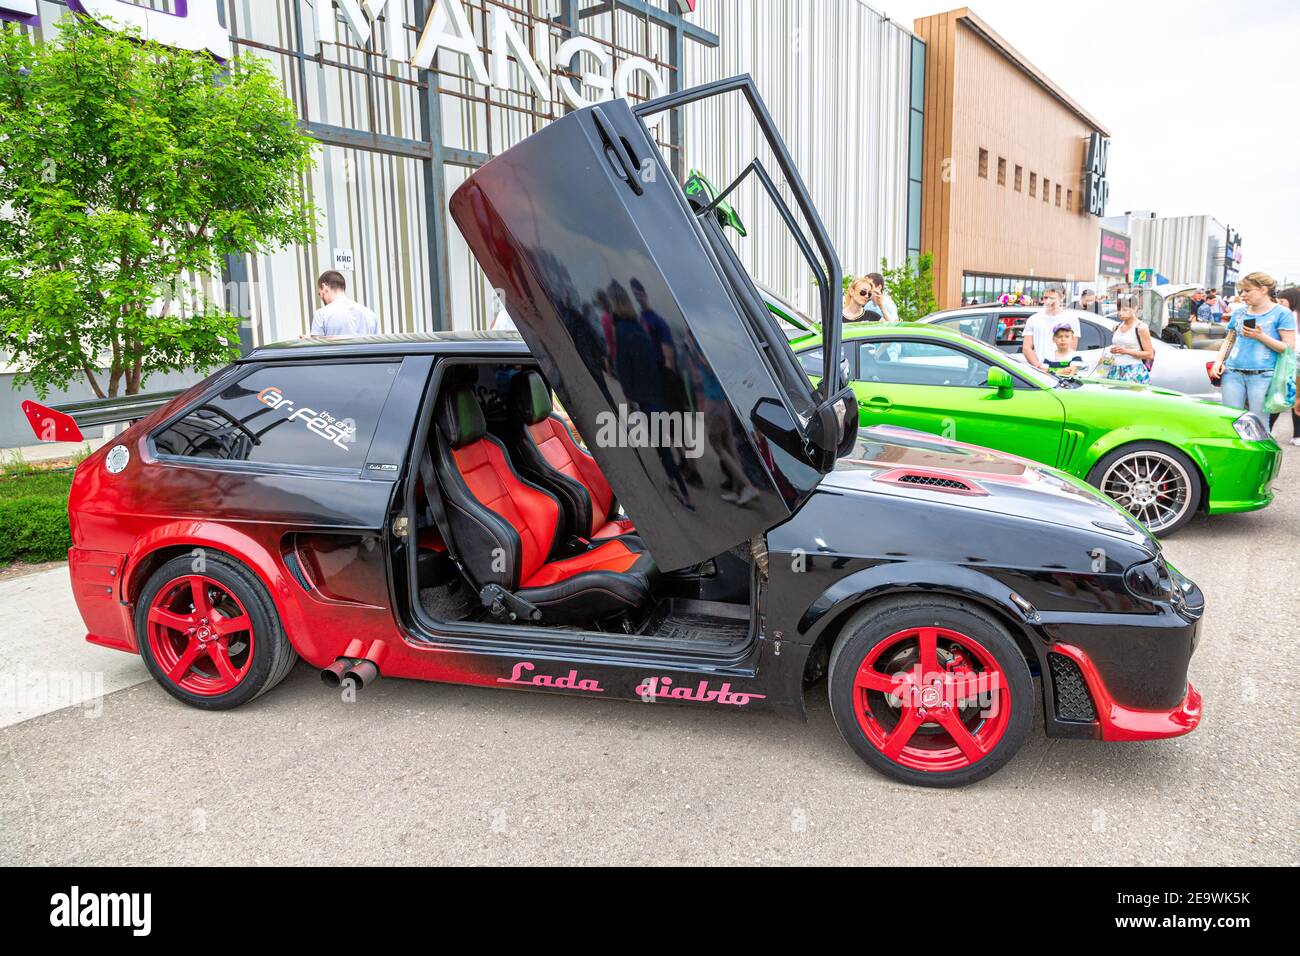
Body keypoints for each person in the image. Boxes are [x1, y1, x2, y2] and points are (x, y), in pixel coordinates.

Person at [1210, 271, 1296, 421]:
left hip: (1263, 375)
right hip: (1232, 373)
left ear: (1263, 290)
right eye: (1241, 291)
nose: (1243, 295)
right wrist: (1218, 361)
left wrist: (1261, 337)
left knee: (1259, 423)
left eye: (1247, 290)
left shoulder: (1282, 313)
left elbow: (1288, 347)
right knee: (1230, 421)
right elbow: (1229, 340)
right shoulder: (1239, 312)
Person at [1022, 285, 1079, 372]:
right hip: (1040, 371)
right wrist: (1039, 367)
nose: (1048, 301)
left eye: (1052, 298)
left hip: (1063, 371)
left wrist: (1061, 369)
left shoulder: (1071, 319)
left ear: (1061, 298)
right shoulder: (1033, 319)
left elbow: (1072, 346)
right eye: (1045, 298)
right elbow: (1026, 348)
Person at [1100, 298, 1154, 384]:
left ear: (1134, 309)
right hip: (1115, 370)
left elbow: (1149, 354)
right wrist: (1110, 354)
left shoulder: (1141, 327)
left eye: (1125, 310)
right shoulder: (1116, 327)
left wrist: (1126, 351)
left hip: (1134, 370)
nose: (1120, 313)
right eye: (1118, 309)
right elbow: (1115, 349)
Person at [310, 270, 378, 337]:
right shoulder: (370, 314)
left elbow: (316, 346)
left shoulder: (321, 314)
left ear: (324, 287)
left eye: (319, 294)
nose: (321, 298)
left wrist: (309, 341)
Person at [1277, 286, 1300, 445]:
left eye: (1282, 300)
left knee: (1284, 397)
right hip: (1294, 360)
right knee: (1296, 399)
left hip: (1290, 360)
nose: (1280, 303)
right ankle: (1297, 435)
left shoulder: (1288, 315)